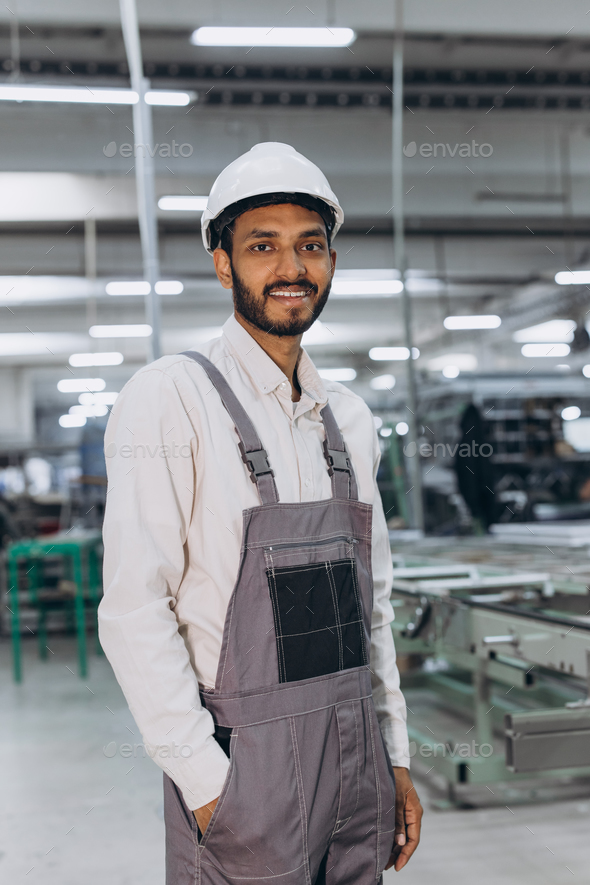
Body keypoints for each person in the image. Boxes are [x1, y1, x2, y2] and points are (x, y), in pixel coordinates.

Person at [98, 142, 422, 884]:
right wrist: (210, 788)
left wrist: (393, 756)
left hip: (357, 756)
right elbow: (133, 609)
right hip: (246, 767)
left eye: (310, 245)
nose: (291, 268)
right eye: (262, 246)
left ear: (332, 261)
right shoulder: (172, 397)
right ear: (223, 263)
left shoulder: (349, 417)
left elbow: (374, 610)